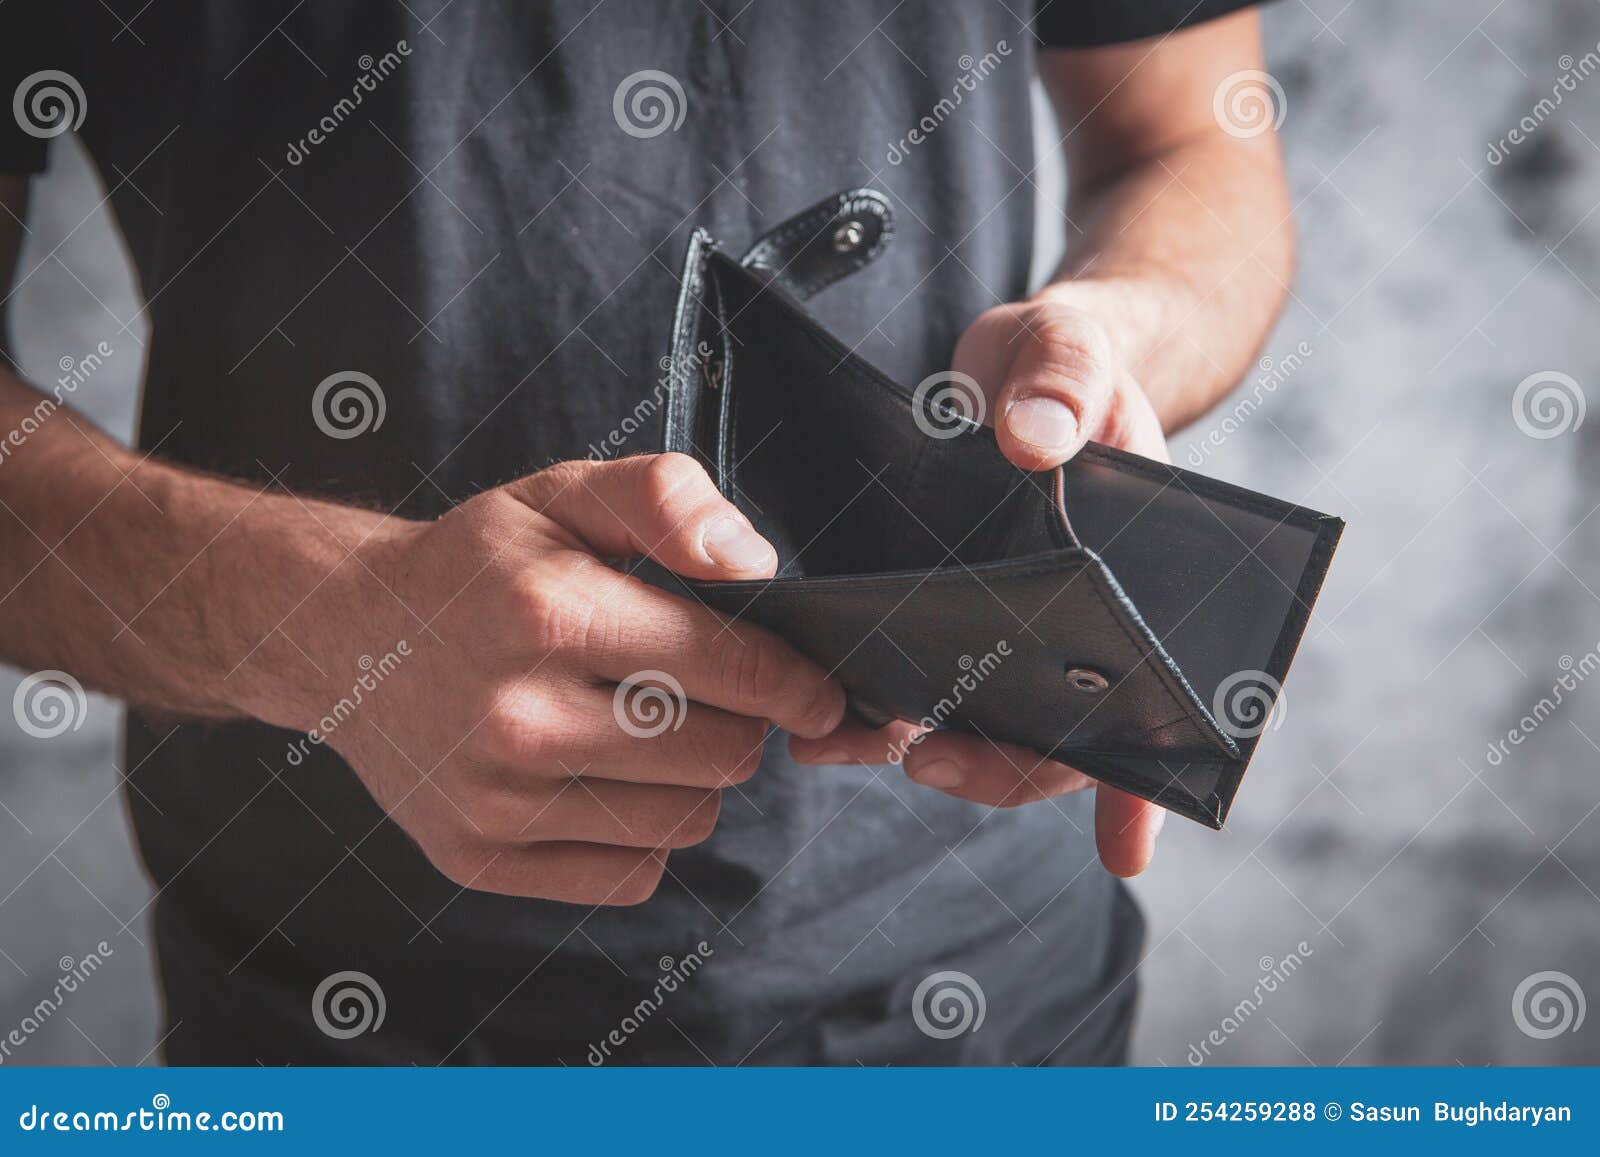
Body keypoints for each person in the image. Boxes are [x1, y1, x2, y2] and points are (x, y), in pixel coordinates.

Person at [0, 0, 1292, 1064]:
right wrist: (335, 629)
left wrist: (1114, 336)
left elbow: (1191, 138)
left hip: (992, 977)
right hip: (353, 1007)